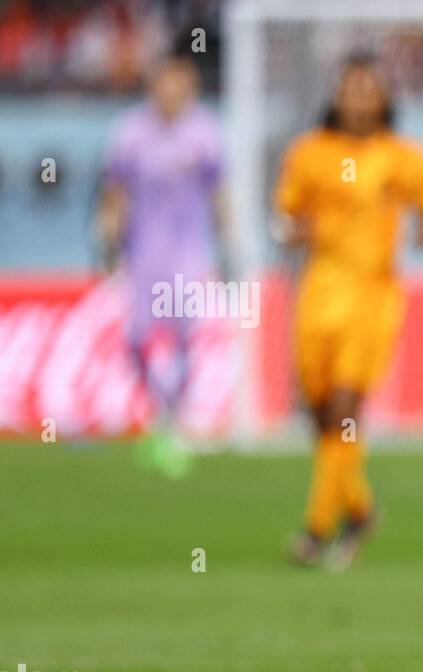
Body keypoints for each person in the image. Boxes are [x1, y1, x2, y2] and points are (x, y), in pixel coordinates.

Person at [274, 53, 423, 569]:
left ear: (385, 98)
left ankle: (316, 529)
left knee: (346, 408)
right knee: (323, 415)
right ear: (336, 95)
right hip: (319, 291)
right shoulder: (309, 153)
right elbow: (285, 219)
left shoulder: (403, 157)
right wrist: (299, 230)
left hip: (372, 296)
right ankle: (361, 509)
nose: (360, 98)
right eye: (351, 88)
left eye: (370, 89)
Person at [99, 50, 225, 478]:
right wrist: (109, 238)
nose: (170, 90)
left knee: (186, 337)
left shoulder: (204, 133)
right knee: (135, 340)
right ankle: (163, 407)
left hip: (188, 252)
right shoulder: (131, 131)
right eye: (163, 81)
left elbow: (218, 192)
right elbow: (116, 190)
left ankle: (178, 420)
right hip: (143, 252)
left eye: (178, 82)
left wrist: (229, 245)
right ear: (153, 85)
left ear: (189, 88)